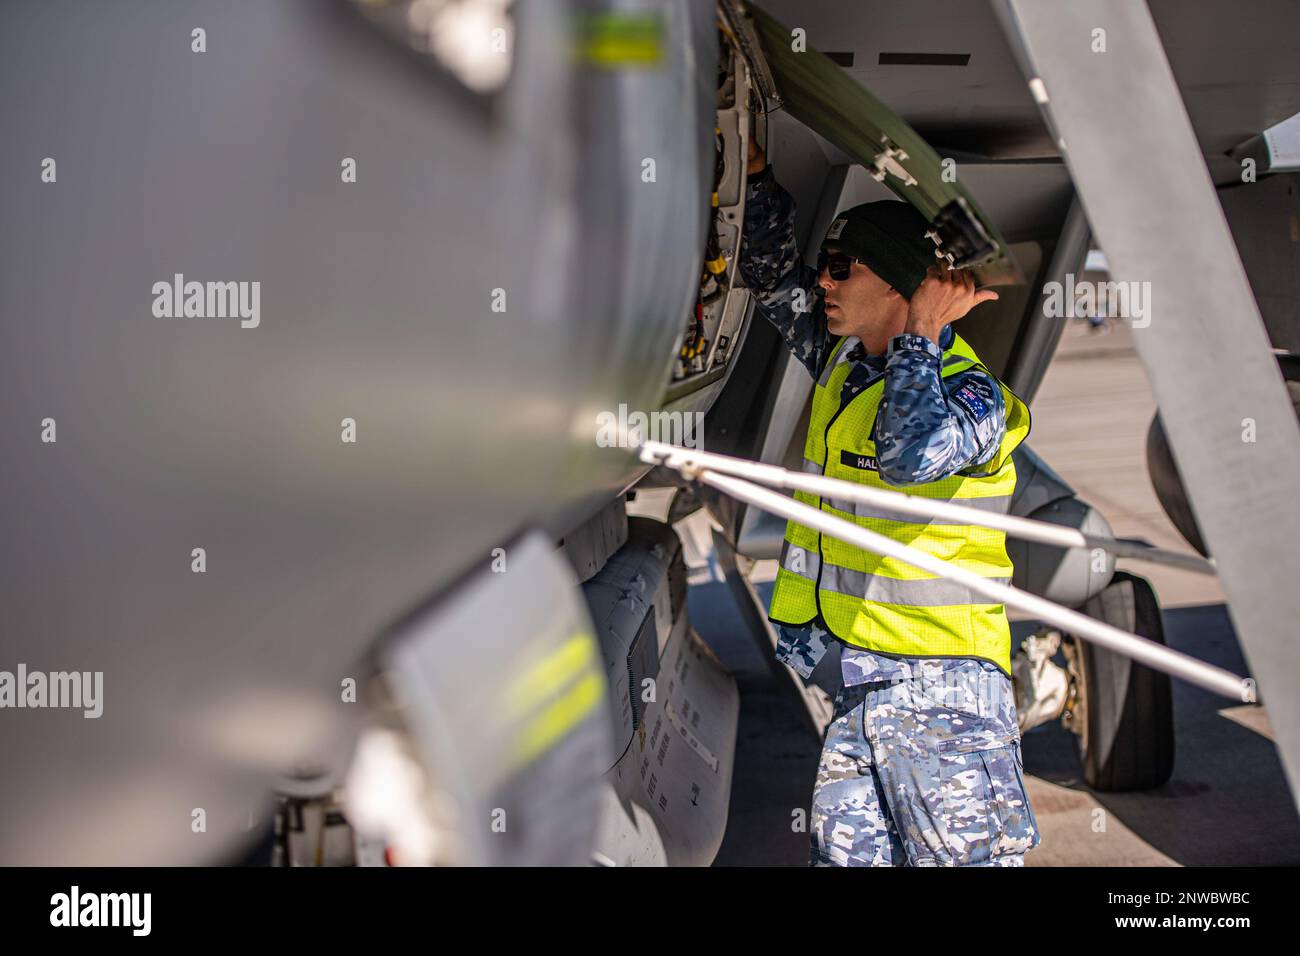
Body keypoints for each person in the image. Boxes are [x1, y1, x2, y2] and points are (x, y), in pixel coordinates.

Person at [739, 139, 1041, 866]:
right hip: (861, 682)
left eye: (845, 269)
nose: (825, 283)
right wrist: (752, 172)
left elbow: (911, 458)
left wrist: (925, 333)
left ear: (902, 285)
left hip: (944, 693)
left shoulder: (974, 395)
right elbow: (774, 277)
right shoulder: (850, 367)